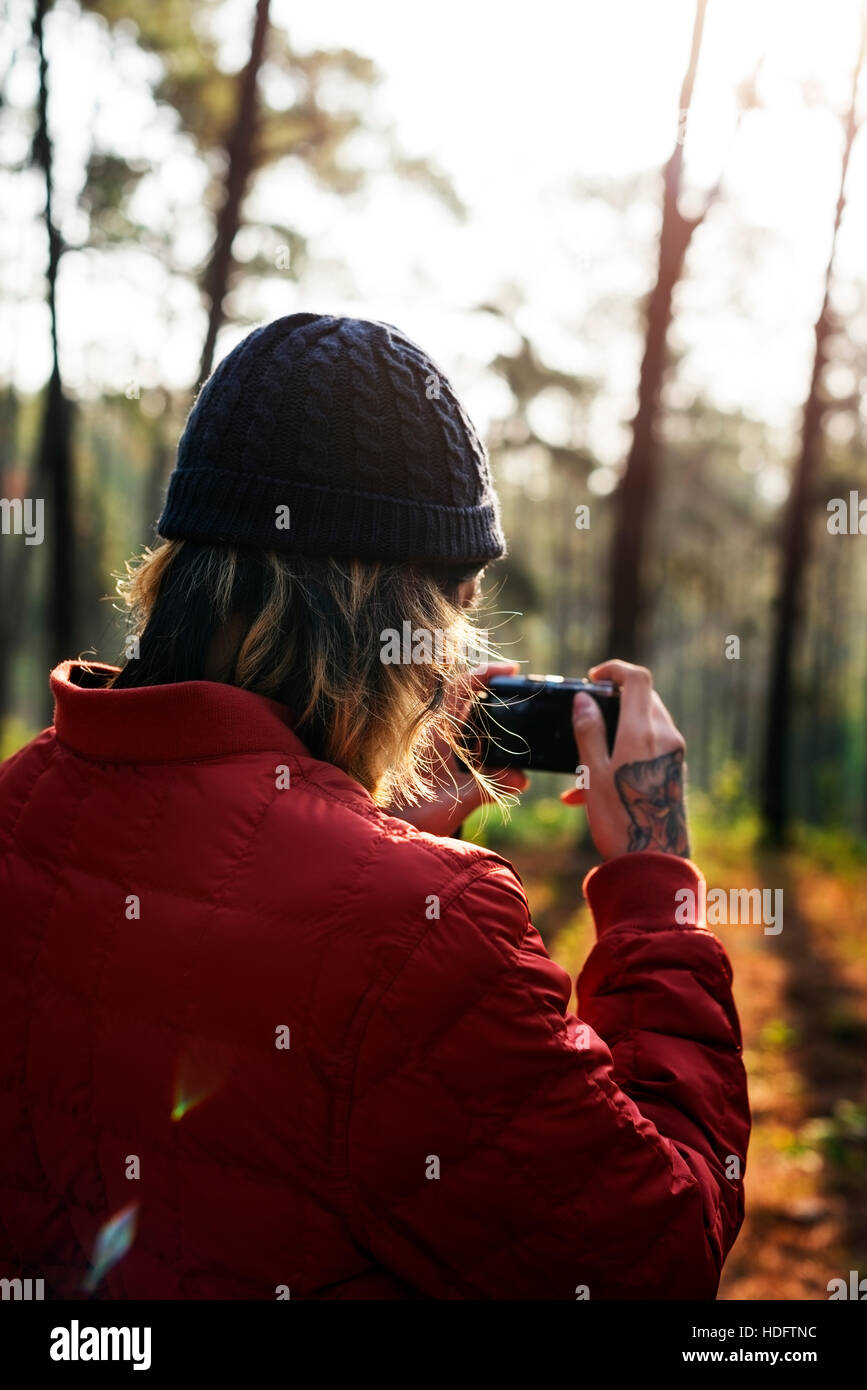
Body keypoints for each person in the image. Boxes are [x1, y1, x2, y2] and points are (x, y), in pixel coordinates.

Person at [0, 313, 749, 1300]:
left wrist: (385, 840)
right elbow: (654, 1254)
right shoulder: (418, 936)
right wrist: (652, 884)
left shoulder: (25, 797)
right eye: (458, 608)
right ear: (400, 621)